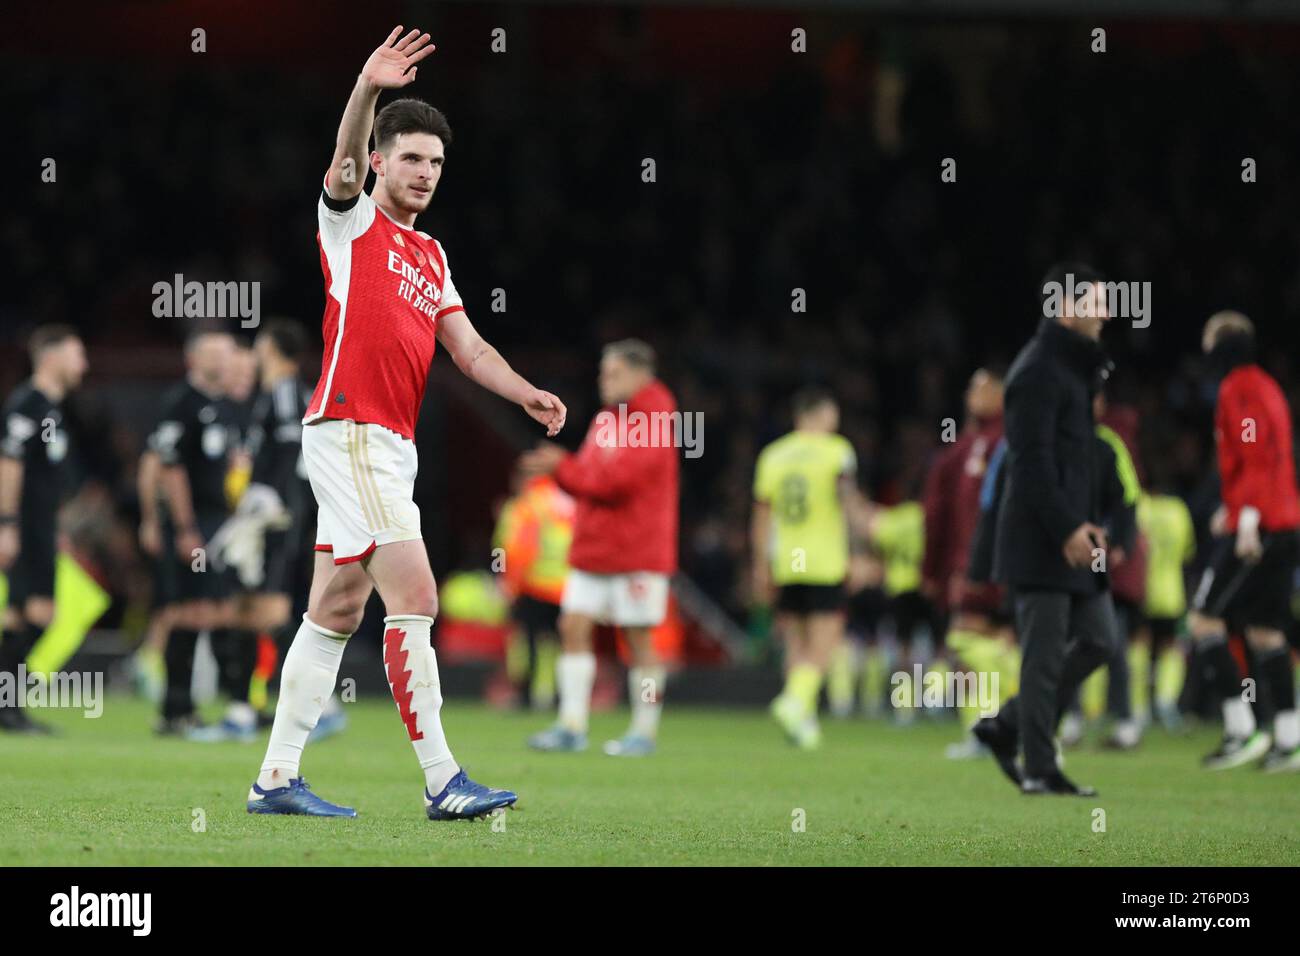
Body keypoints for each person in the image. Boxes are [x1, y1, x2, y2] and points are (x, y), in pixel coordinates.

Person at [248, 26, 566, 819]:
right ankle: (442, 779)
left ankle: (276, 780)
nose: (425, 174)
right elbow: (343, 162)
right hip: (350, 430)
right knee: (416, 591)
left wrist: (524, 392)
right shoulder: (352, 226)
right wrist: (366, 88)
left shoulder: (431, 258)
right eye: (412, 159)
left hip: (388, 445)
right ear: (383, 161)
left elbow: (469, 347)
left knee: (337, 609)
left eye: (436, 164)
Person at [972, 263, 1120, 796]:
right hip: (1041, 538)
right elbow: (1030, 463)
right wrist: (1064, 528)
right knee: (1042, 655)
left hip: (1076, 535)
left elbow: (1076, 463)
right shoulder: (1036, 371)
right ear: (1065, 307)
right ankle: (1039, 767)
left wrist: (1091, 525)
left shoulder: (1074, 370)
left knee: (1102, 641)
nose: (1107, 312)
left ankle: (1006, 724)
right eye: (1097, 302)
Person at [525, 339, 679, 757]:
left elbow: (616, 482)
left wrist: (562, 467)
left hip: (636, 550)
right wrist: (567, 470)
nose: (602, 380)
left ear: (640, 373)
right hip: (596, 547)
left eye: (612, 373)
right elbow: (593, 474)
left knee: (638, 638)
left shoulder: (655, 418)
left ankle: (643, 731)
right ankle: (572, 724)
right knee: (572, 627)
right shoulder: (611, 418)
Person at [1189, 312, 1300, 773]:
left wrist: (1248, 516)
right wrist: (1232, 507)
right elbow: (1269, 456)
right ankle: (1290, 738)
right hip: (1280, 521)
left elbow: (1255, 452)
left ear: (1224, 345)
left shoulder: (1241, 389)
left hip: (1262, 528)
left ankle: (1242, 729)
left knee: (1203, 620)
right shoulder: (1267, 384)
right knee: (1265, 631)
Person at [751, 387, 864, 749]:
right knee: (824, 641)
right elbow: (847, 504)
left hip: (786, 561)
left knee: (796, 643)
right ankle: (795, 702)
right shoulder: (837, 451)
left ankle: (803, 721)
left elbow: (761, 516)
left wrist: (760, 565)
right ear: (824, 415)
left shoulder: (773, 455)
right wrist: (859, 551)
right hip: (824, 559)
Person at [142, 328, 242, 735]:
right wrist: (182, 527)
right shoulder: (180, 404)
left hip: (219, 523)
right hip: (193, 524)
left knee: (212, 610)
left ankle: (217, 703)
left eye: (226, 352)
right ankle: (174, 708)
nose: (222, 360)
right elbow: (167, 467)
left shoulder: (223, 406)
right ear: (193, 360)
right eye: (212, 353)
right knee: (188, 610)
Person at [0, 325, 88, 733]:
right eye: (76, 355)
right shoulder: (27, 404)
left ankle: (9, 707)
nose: (83, 365)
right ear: (51, 357)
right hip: (23, 525)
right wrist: (7, 524)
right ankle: (8, 706)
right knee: (34, 612)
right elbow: (9, 463)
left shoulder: (50, 409)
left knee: (22, 616)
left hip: (40, 527)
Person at [493, 464, 573, 710]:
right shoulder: (567, 504)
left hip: (532, 585)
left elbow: (507, 549)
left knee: (526, 642)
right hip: (565, 586)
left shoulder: (522, 507)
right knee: (563, 644)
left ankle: (527, 695)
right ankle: (562, 697)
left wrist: (505, 581)